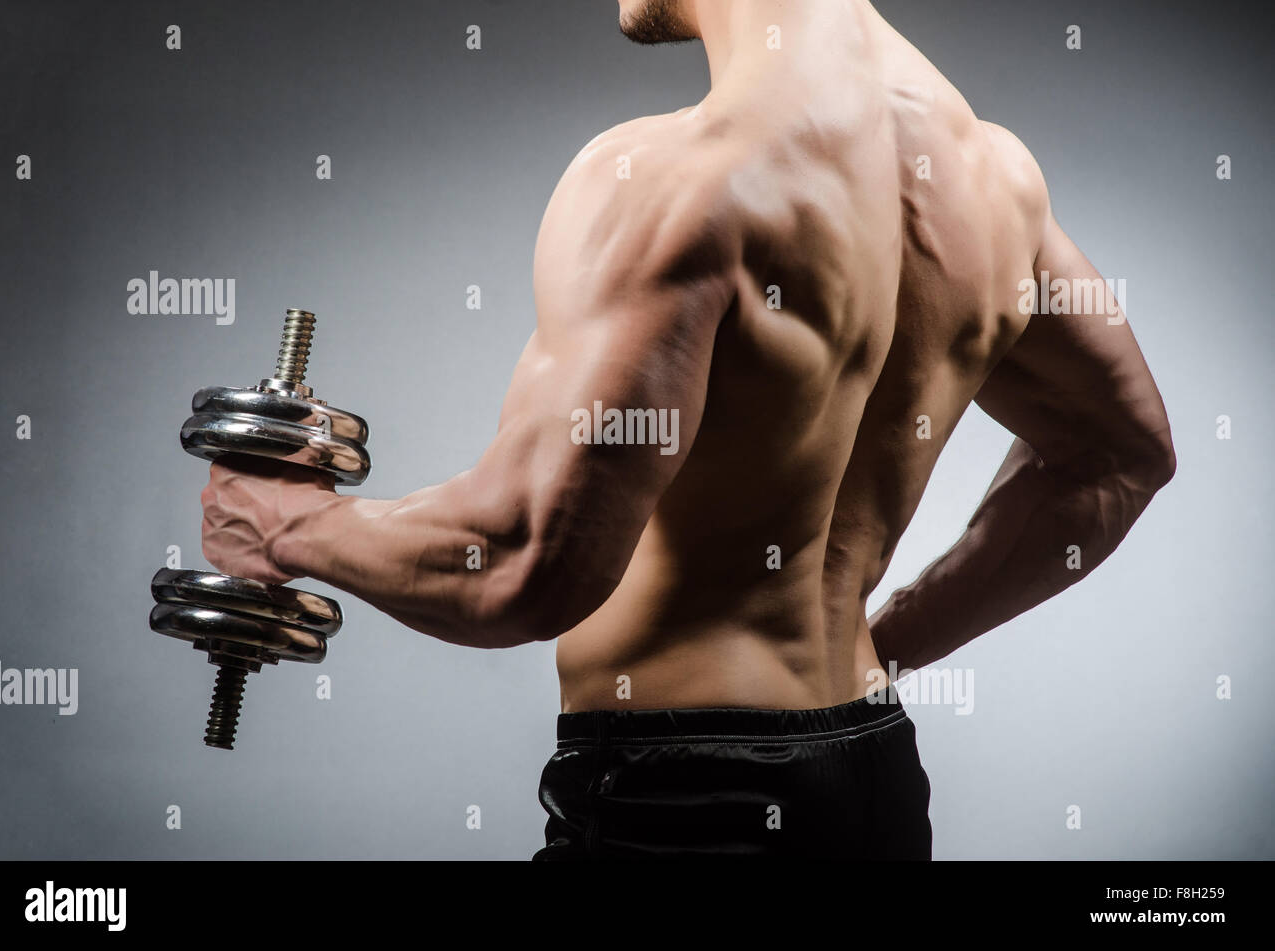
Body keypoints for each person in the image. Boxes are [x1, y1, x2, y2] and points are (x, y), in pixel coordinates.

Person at [199, 0, 1176, 858]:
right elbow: (1118, 457)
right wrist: (875, 650)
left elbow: (523, 557)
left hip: (687, 801)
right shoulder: (994, 180)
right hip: (873, 772)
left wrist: (284, 524)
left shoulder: (679, 177)